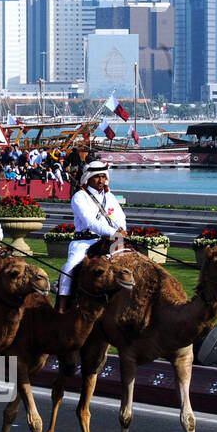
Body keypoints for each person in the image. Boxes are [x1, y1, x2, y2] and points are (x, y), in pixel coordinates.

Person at [57, 159, 127, 374]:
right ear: (89, 178)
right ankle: (61, 308)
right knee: (69, 268)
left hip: (112, 240)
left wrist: (121, 231)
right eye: (97, 177)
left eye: (104, 176)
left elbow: (121, 217)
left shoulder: (110, 196)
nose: (101, 180)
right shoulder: (79, 197)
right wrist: (113, 233)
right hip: (85, 242)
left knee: (130, 264)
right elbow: (90, 222)